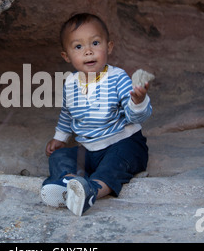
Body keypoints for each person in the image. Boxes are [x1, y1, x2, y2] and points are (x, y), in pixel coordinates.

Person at [40, 13, 152, 216]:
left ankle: (92, 190)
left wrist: (137, 101)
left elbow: (136, 116)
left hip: (123, 143)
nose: (88, 51)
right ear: (66, 56)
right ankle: (69, 182)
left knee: (115, 163)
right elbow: (67, 113)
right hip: (88, 150)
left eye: (95, 43)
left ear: (108, 47)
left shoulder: (117, 77)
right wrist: (59, 138)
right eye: (78, 47)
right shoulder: (71, 84)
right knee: (59, 156)